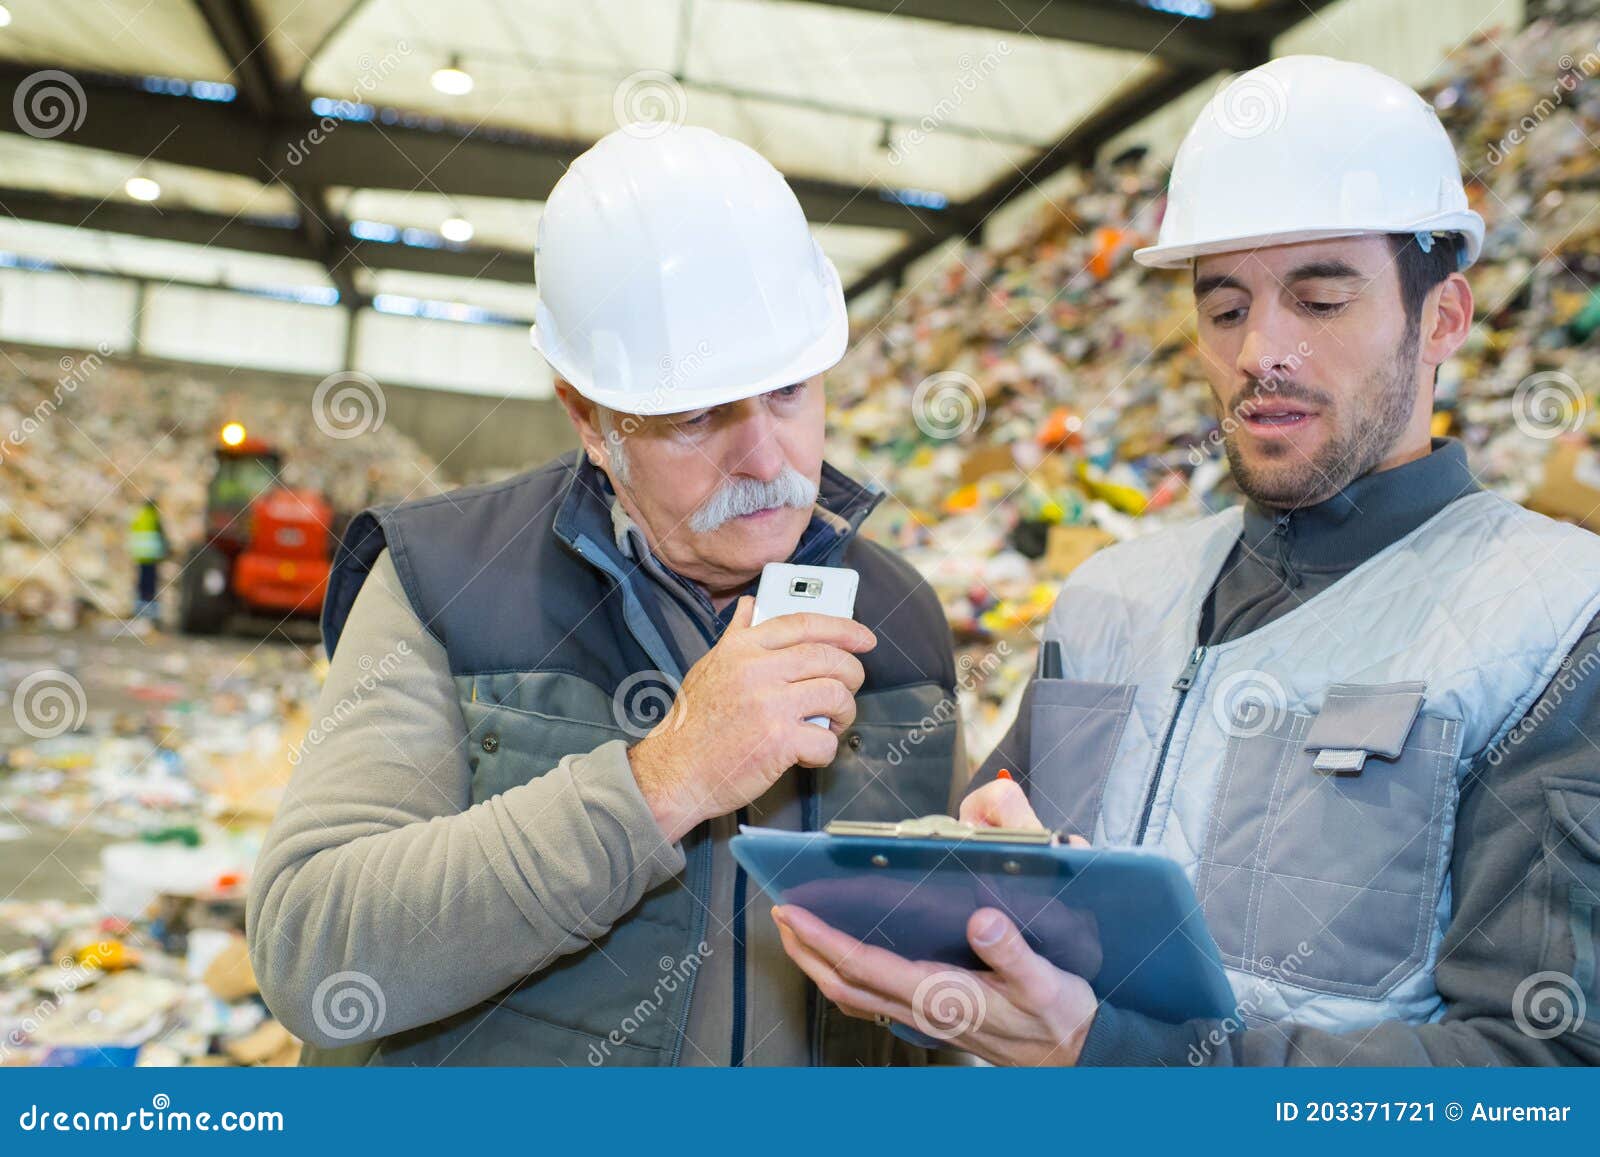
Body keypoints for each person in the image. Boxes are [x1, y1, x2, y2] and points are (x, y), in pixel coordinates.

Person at [772, 55, 1600, 1066]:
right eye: (1223, 307)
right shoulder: (1110, 598)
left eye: (1320, 300)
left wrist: (1116, 1052)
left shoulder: (1555, 626)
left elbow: (1539, 1079)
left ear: (1444, 318)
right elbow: (985, 901)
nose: (1260, 350)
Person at [246, 125, 965, 1066]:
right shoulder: (444, 580)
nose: (766, 458)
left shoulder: (902, 621)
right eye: (698, 414)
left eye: (789, 390)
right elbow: (313, 948)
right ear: (588, 415)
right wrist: (664, 779)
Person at [126, 498, 168, 623]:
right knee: (151, 583)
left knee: (141, 582)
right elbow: (161, 535)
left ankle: (138, 607)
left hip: (139, 555)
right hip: (151, 555)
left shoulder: (138, 517)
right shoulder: (154, 517)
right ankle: (151, 611)